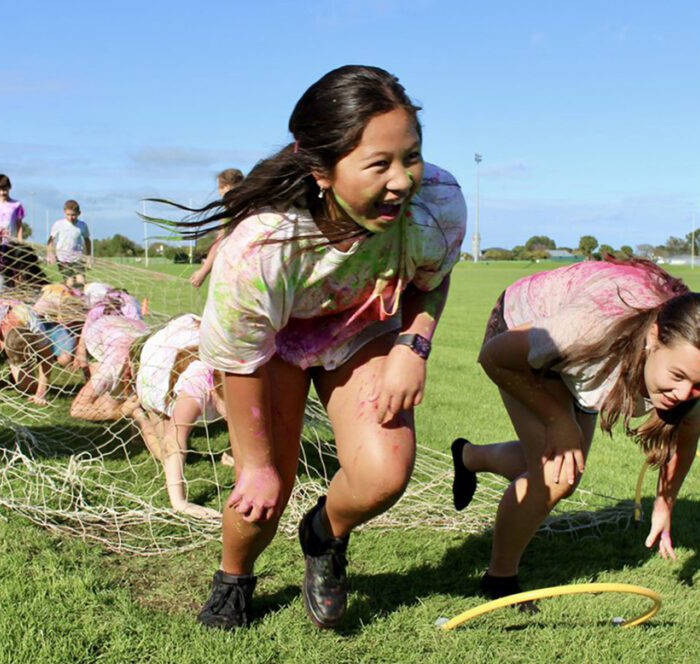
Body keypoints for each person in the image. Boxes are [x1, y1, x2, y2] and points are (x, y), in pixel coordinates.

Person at [172, 66, 466, 629]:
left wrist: (413, 345)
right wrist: (257, 465)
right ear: (321, 172)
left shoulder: (436, 203)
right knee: (262, 493)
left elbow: (432, 279)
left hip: (360, 332)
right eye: (378, 164)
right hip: (271, 350)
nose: (402, 181)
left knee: (384, 474)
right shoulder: (261, 246)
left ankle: (324, 534)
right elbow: (240, 360)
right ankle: (234, 578)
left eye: (411, 156)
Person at [451, 258, 700, 607]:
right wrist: (558, 420)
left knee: (561, 465)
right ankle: (500, 578)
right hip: (527, 334)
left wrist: (664, 505)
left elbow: (684, 443)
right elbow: (494, 358)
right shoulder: (589, 330)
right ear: (653, 339)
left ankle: (469, 457)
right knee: (556, 476)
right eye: (677, 376)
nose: (684, 394)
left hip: (587, 360)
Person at [127, 314, 226, 519]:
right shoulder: (197, 386)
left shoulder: (244, 377)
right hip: (159, 368)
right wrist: (180, 503)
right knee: (166, 452)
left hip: (192, 337)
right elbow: (173, 440)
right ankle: (139, 415)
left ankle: (232, 453)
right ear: (216, 393)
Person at [189, 168, 244, 288]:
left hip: (235, 273)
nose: (219, 193)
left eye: (220, 187)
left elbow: (219, 242)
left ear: (226, 187)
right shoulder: (253, 206)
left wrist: (203, 272)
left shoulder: (231, 211)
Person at [47, 199, 92, 287]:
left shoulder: (82, 225)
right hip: (63, 258)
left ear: (79, 213)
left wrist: (88, 256)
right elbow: (50, 240)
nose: (70, 217)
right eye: (68, 214)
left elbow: (87, 240)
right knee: (70, 282)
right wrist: (50, 253)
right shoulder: (58, 224)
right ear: (64, 212)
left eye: (73, 215)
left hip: (77, 258)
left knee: (81, 282)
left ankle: (79, 295)